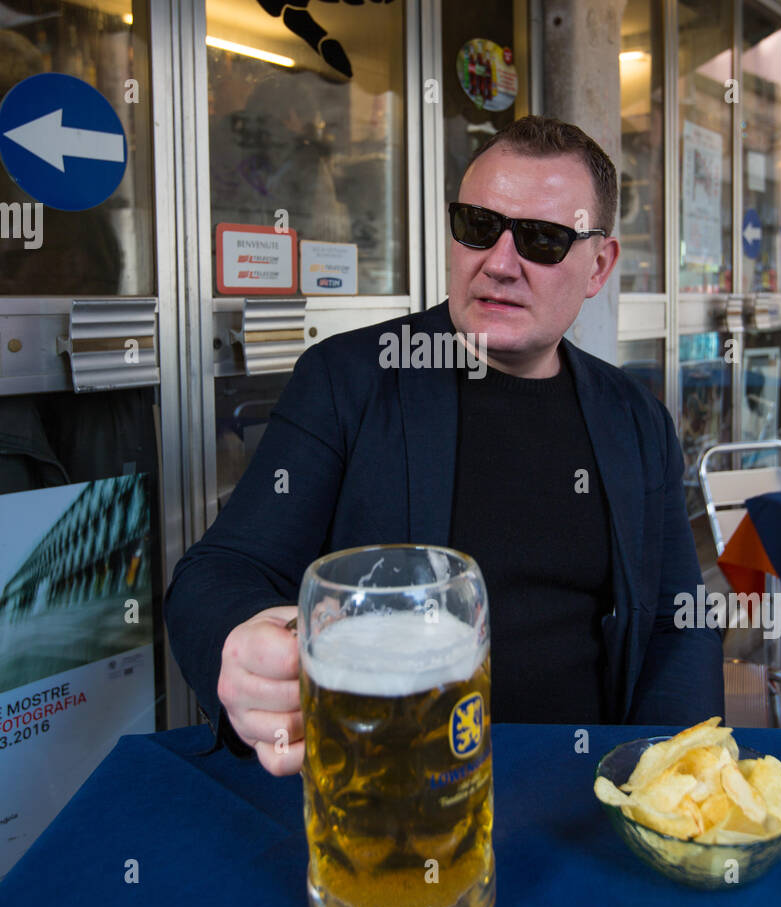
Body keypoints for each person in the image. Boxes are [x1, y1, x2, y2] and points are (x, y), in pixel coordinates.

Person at [164, 115, 723, 775]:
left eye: (542, 240)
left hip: (587, 795)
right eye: (479, 227)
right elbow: (218, 572)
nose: (500, 264)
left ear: (598, 265)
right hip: (393, 790)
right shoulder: (350, 381)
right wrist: (242, 644)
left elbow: (675, 623)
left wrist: (665, 784)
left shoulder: (637, 420)